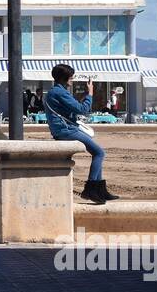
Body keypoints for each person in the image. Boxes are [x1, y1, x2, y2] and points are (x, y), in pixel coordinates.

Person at [44, 64, 117, 203]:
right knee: (99, 153)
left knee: (97, 153)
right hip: (66, 130)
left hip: (63, 129)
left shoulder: (55, 92)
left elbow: (73, 106)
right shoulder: (60, 92)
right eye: (71, 77)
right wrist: (90, 93)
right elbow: (83, 109)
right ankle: (90, 190)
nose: (72, 80)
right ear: (65, 78)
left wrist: (84, 96)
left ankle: (100, 190)